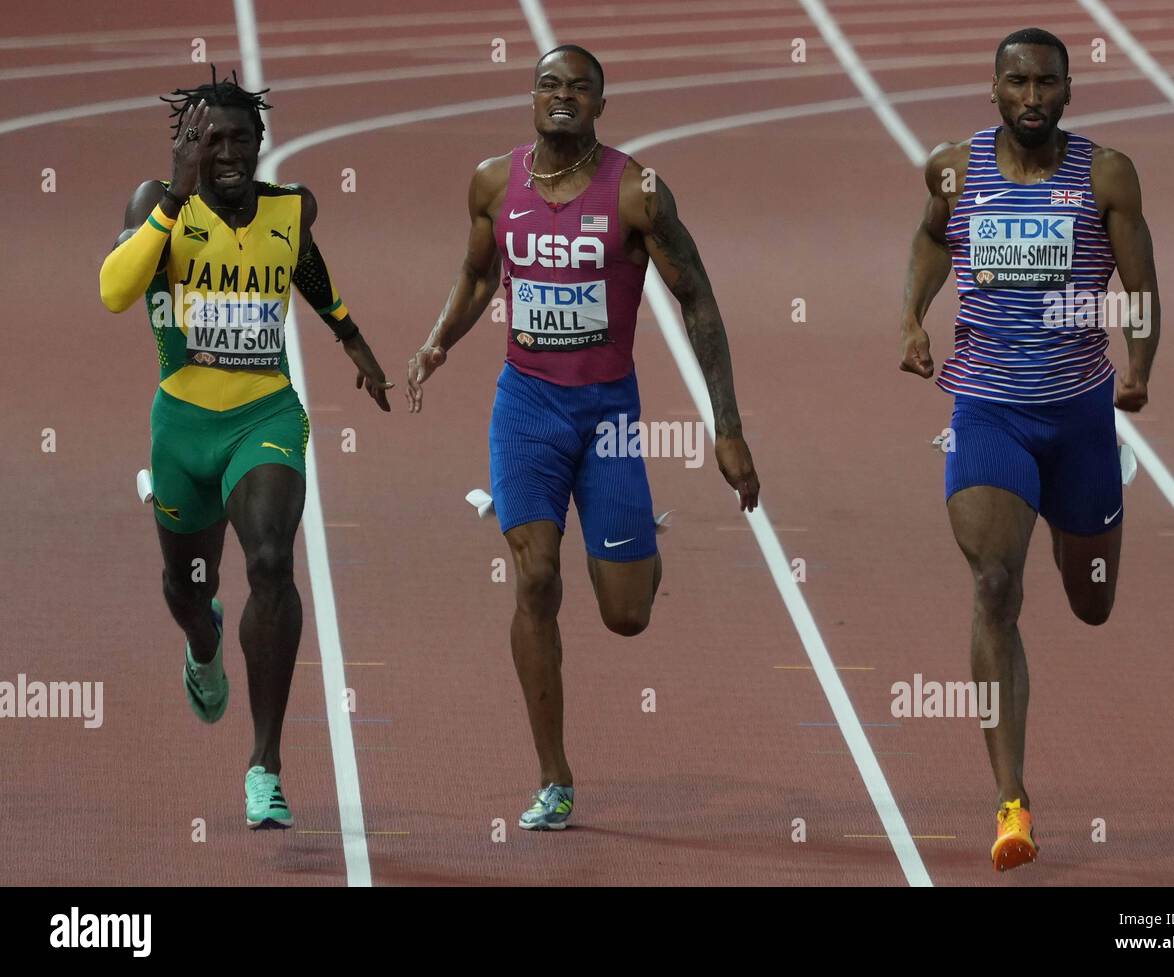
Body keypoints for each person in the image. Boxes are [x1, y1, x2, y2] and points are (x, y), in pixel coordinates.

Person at [406, 45, 759, 830]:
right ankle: (555, 776)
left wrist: (726, 431)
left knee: (626, 614)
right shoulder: (494, 184)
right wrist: (437, 341)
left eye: (579, 89)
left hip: (607, 415)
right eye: (549, 85)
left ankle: (636, 536)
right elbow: (474, 276)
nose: (562, 98)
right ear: (531, 97)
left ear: (602, 105)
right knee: (534, 578)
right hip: (525, 407)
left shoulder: (638, 194)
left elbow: (698, 302)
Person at [99, 69, 393, 828]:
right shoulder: (156, 206)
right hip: (181, 431)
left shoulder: (290, 209)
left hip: (264, 416)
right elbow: (114, 291)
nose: (226, 151)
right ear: (188, 144)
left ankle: (265, 762)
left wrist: (350, 334)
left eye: (240, 138)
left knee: (269, 558)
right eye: (210, 138)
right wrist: (172, 192)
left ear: (260, 144)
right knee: (188, 591)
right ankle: (204, 640)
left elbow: (304, 264)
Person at [897, 29, 1160, 870]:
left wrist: (1140, 368)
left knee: (1092, 604)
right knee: (994, 583)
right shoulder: (952, 167)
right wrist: (912, 316)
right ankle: (1011, 800)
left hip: (1080, 413)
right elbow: (934, 236)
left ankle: (1096, 492)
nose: (1033, 96)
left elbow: (1142, 285)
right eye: (1018, 82)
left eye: (1048, 82)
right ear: (995, 91)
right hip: (987, 412)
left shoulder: (1106, 175)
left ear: (1070, 92)